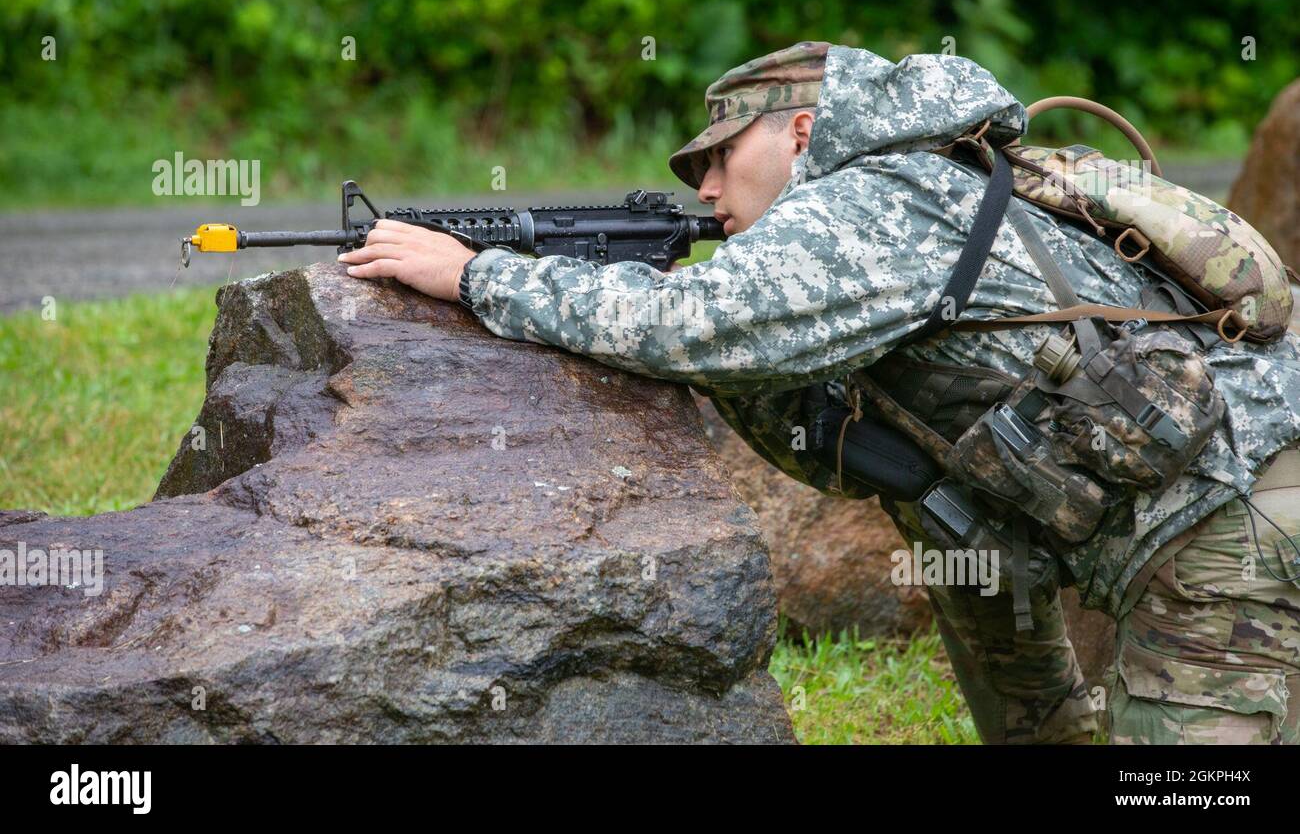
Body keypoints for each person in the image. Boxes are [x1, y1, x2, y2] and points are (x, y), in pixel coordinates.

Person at [338, 41, 1300, 744]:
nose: (705, 187)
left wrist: (474, 276)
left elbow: (688, 329)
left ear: (802, 131)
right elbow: (898, 478)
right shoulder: (921, 200)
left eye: (720, 155)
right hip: (1214, 511)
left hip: (1234, 518)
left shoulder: (874, 200)